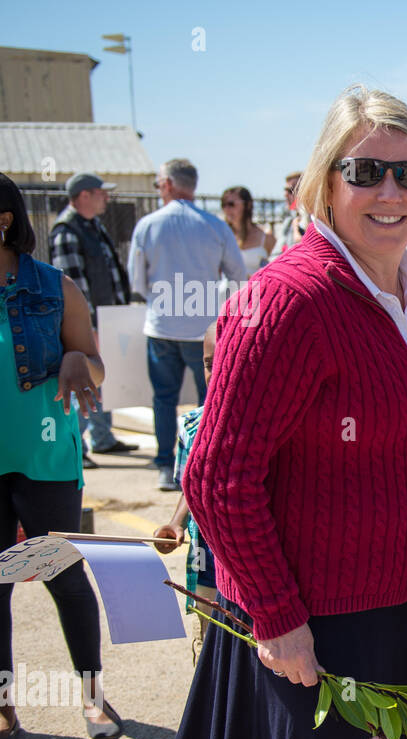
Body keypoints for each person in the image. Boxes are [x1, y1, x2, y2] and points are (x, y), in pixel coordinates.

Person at [155, 85, 407, 739]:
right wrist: (279, 615)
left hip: (389, 613)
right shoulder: (290, 299)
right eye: (367, 171)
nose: (392, 192)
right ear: (325, 183)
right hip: (311, 625)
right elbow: (218, 474)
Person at [0, 173, 121, 739]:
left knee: (61, 573)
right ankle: (3, 705)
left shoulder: (55, 287)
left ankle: (93, 693)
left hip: (44, 454)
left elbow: (97, 368)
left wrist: (77, 358)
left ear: (4, 219)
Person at [128, 159, 246, 492]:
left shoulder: (148, 225)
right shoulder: (214, 226)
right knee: (209, 399)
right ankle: (203, 465)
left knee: (164, 398)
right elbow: (238, 275)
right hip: (204, 329)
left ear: (167, 184)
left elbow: (136, 280)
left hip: (162, 326)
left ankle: (166, 465)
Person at [48, 172, 138, 462]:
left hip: (105, 320)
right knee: (84, 382)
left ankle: (102, 437)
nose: (106, 198)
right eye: (101, 193)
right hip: (90, 324)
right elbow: (73, 287)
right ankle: (77, 444)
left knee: (103, 380)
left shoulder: (92, 227)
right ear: (84, 195)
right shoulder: (67, 231)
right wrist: (87, 328)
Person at [152, 322, 218, 644]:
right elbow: (192, 487)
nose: (217, 371)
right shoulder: (192, 426)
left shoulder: (274, 424)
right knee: (210, 646)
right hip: (207, 563)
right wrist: (175, 523)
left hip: (254, 572)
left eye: (230, 358)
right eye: (209, 363)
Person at [220, 186, 275, 276]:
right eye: (223, 204)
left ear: (248, 205)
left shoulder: (266, 237)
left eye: (231, 204)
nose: (226, 209)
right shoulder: (222, 237)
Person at [272, 171, 308, 258]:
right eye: (285, 190)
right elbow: (277, 253)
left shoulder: (314, 219)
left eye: (290, 190)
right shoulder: (289, 222)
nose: (285, 195)